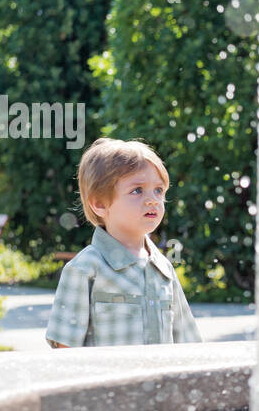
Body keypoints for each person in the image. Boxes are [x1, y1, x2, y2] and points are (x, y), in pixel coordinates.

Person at [45, 137, 202, 348]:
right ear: (99, 203)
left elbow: (189, 345)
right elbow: (65, 349)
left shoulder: (163, 269)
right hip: (107, 381)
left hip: (160, 381)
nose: (152, 200)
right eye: (137, 190)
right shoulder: (85, 269)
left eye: (158, 190)